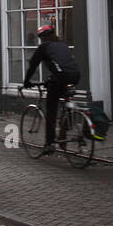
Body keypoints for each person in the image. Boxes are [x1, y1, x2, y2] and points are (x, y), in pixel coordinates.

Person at [20, 24, 80, 156]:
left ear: (42, 37)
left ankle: (49, 143)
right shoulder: (63, 45)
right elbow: (62, 64)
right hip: (75, 76)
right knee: (66, 101)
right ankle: (66, 127)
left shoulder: (44, 47)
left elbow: (32, 66)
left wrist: (26, 82)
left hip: (60, 78)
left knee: (51, 110)